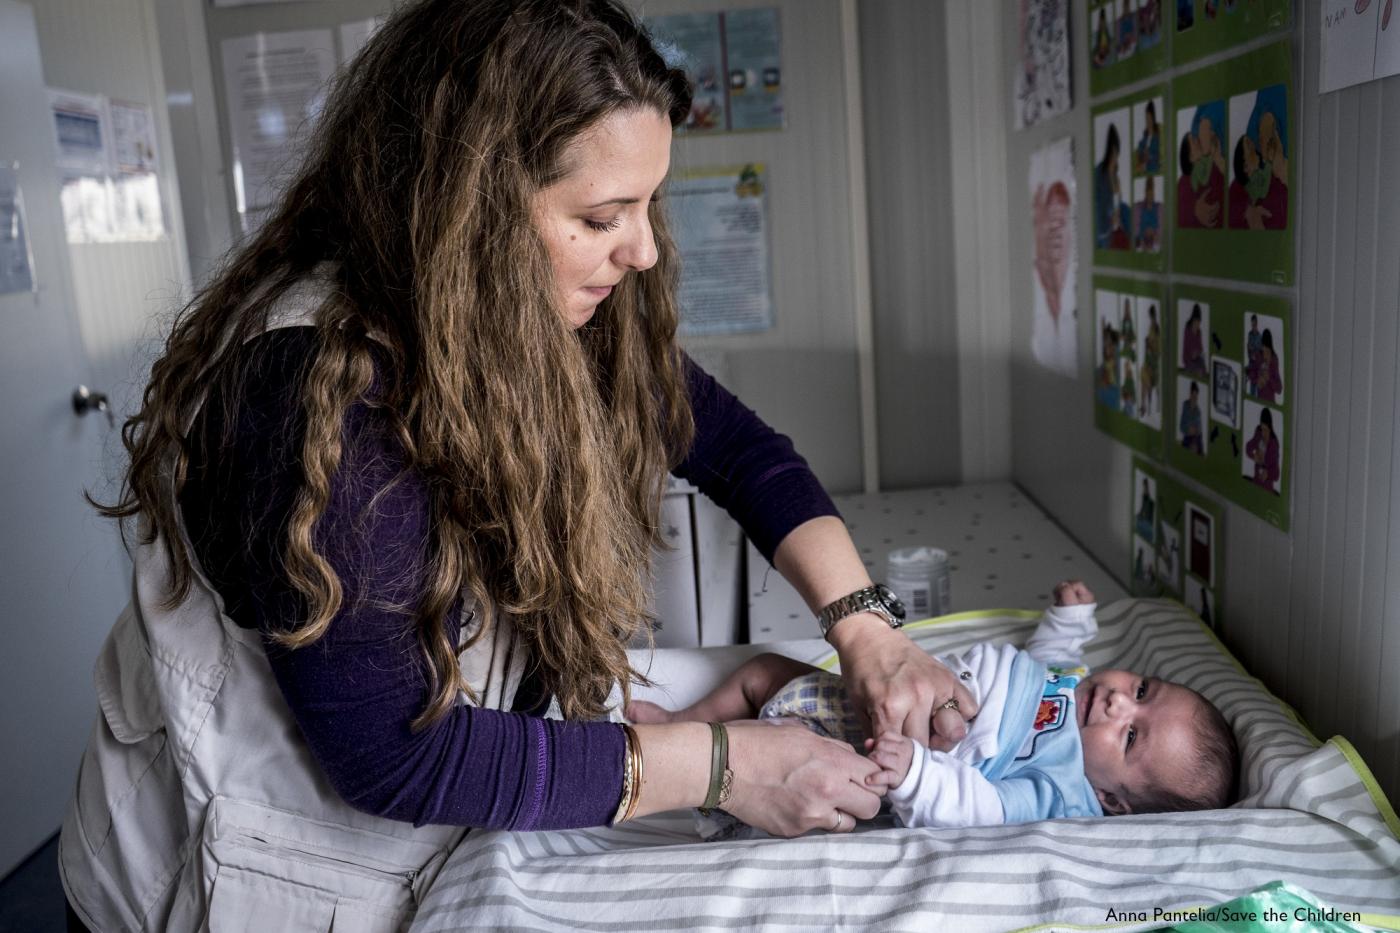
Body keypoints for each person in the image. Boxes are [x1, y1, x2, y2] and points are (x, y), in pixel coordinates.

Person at [58, 2, 978, 930]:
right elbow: (395, 754)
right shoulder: (317, 396)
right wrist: (723, 766)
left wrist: (868, 631)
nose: (644, 248)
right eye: (602, 215)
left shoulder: (531, 312)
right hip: (226, 870)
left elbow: (741, 451)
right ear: (474, 206)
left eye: (648, 205)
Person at [629, 582, 1238, 831]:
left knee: (762, 766)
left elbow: (984, 808)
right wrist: (1069, 620)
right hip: (860, 701)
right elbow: (1040, 665)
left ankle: (691, 778)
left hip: (873, 755)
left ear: (1112, 800)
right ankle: (679, 727)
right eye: (1142, 691)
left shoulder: (1062, 788)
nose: (1115, 704)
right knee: (761, 672)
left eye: (1131, 737)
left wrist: (916, 774)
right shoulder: (1071, 685)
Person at [1246, 407, 1281, 492]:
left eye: (1265, 430)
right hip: (1255, 483)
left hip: (1266, 488)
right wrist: (1253, 455)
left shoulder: (1274, 444)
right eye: (1262, 429)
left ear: (1270, 428)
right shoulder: (1258, 433)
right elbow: (1248, 446)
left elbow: (1276, 474)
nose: (1263, 433)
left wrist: (1268, 473)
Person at [1248, 328, 1283, 402]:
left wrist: (1269, 378)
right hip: (1259, 401)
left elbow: (1279, 389)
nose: (1264, 350)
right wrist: (1257, 380)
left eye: (1266, 347)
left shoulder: (1274, 360)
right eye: (1263, 346)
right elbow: (1251, 373)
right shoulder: (1258, 356)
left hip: (1271, 403)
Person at [1141, 304, 1161, 418]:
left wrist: (1150, 344)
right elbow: (1150, 341)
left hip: (1154, 364)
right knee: (1143, 374)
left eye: (1152, 316)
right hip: (1149, 361)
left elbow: (1158, 350)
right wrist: (1147, 342)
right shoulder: (1151, 326)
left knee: (1145, 375)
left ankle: (1145, 406)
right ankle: (1144, 405)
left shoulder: (1156, 328)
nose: (1151, 318)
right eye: (1150, 316)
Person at [1134, 101, 1162, 175]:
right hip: (1144, 163)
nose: (1148, 121)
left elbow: (1157, 154)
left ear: (1153, 118)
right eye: (1146, 118)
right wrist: (1141, 153)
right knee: (1138, 167)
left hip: (1152, 164)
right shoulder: (1145, 136)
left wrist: (1149, 155)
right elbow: (1140, 149)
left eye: (1150, 118)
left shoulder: (1157, 135)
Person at [1181, 304, 1208, 378]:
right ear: (1193, 320)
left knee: (1202, 366)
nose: (1197, 324)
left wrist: (1199, 353)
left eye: (1198, 322)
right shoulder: (1187, 330)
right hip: (1188, 359)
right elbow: (1186, 346)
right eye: (1196, 321)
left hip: (1197, 358)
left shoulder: (1199, 332)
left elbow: (1200, 347)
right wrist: (1193, 354)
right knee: (1197, 369)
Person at [1180, 381, 1205, 454]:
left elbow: (1199, 431)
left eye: (1196, 395)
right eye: (1193, 395)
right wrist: (1189, 429)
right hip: (1187, 437)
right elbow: (1182, 426)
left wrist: (1195, 442)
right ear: (1190, 394)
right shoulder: (1185, 405)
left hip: (1196, 439)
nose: (1194, 398)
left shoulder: (1198, 412)